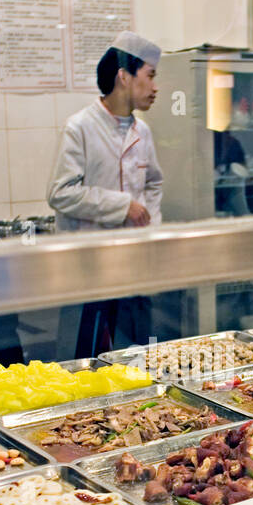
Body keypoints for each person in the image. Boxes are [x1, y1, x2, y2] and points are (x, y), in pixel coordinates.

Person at [47, 31, 164, 355]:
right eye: (150, 76)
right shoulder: (80, 127)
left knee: (137, 356)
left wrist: (150, 228)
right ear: (124, 77)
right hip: (90, 267)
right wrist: (123, 206)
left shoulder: (143, 131)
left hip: (134, 262)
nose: (155, 88)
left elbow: (154, 183)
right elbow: (60, 193)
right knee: (85, 356)